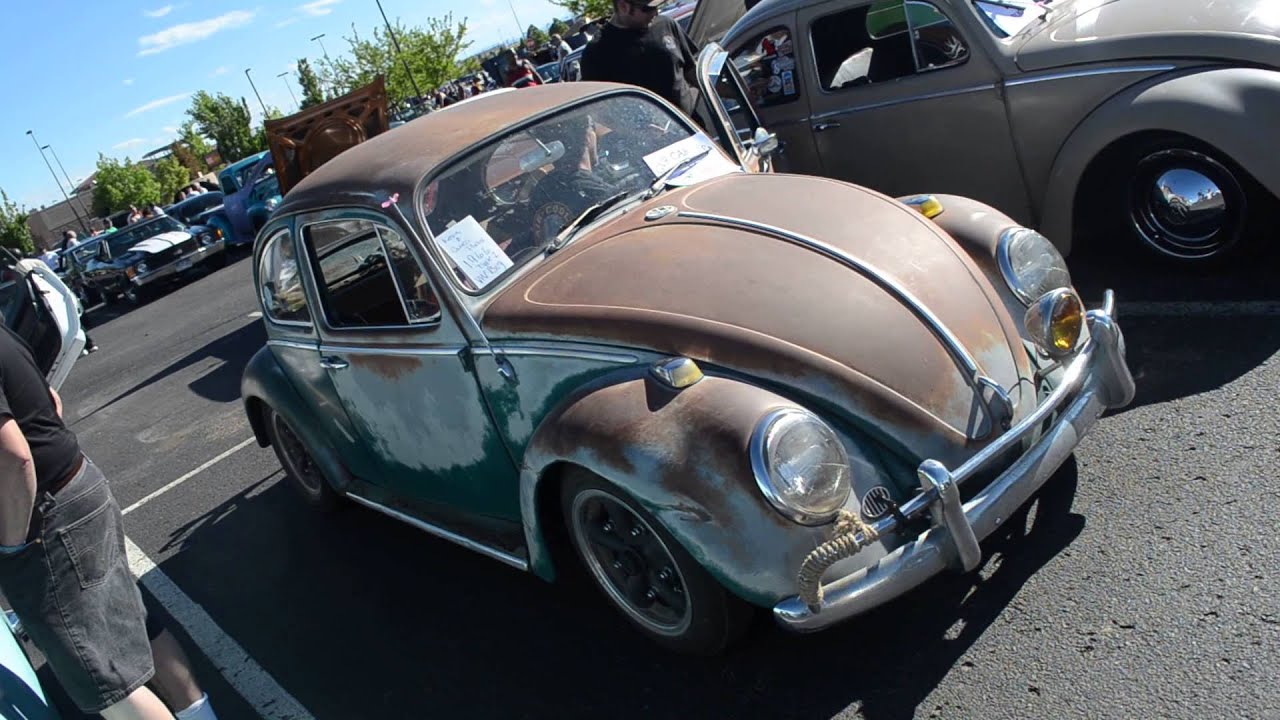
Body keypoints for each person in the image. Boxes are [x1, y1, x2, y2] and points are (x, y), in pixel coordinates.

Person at [0, 326, 219, 719]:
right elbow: (49, 399)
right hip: (79, 485)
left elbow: (14, 456)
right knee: (135, 624)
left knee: (104, 679)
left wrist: (13, 543)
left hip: (44, 522)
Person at [580, 0, 700, 117]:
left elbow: (692, 71)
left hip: (694, 127)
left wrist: (714, 93)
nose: (655, 13)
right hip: (648, 136)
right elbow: (599, 111)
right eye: (648, 8)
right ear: (623, 6)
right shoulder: (597, 52)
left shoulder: (666, 24)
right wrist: (640, 129)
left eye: (658, 6)